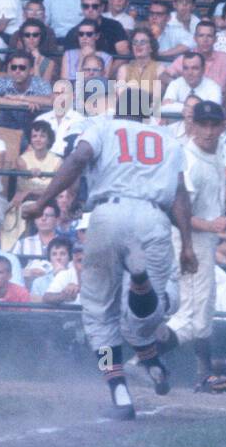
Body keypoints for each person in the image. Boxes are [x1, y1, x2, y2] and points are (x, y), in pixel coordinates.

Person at [23, 79, 197, 420]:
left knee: (99, 315)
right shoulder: (168, 139)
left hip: (106, 214)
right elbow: (180, 194)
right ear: (148, 114)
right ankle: (142, 288)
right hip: (152, 216)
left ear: (119, 109)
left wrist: (43, 200)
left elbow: (78, 159)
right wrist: (188, 244)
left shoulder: (102, 126)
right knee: (154, 309)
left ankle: (118, 390)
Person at [149, 102, 226, 392]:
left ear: (223, 126)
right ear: (193, 125)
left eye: (214, 124)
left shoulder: (215, 152)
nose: (209, 130)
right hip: (189, 240)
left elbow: (212, 203)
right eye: (204, 124)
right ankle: (144, 361)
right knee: (192, 314)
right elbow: (178, 212)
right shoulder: (189, 158)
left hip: (203, 240)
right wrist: (208, 230)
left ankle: (203, 372)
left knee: (201, 310)